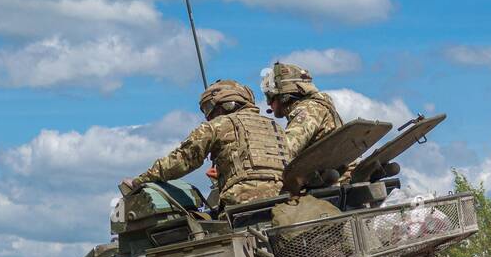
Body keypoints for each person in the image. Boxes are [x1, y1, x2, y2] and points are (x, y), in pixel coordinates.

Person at [119, 80, 287, 208]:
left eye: (208, 109)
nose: (208, 116)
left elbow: (182, 160)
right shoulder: (274, 126)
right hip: (284, 200)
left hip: (243, 202)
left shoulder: (218, 125)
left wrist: (140, 181)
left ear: (225, 104)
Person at [261, 61, 343, 160]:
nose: (268, 103)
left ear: (283, 96)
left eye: (270, 97)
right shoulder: (317, 107)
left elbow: (286, 151)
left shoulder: (310, 109)